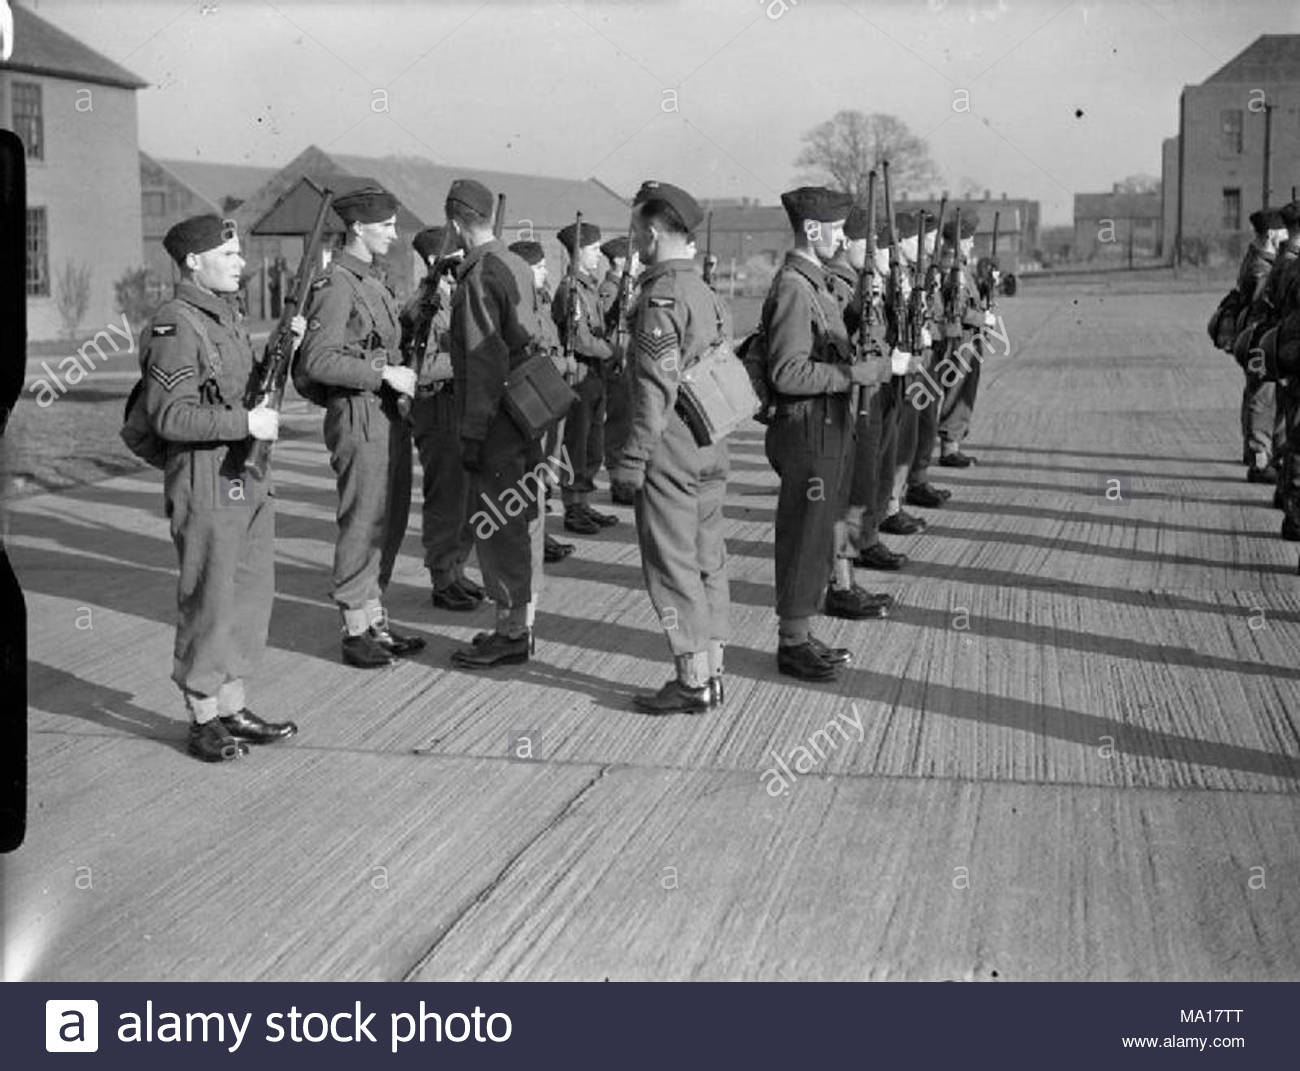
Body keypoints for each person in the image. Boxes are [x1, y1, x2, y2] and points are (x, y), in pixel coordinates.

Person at [141, 214, 300, 762]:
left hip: (247, 475)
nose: (242, 263)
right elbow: (170, 417)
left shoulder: (225, 317)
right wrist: (244, 426)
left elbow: (244, 388)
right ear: (193, 261)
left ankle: (232, 704)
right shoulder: (175, 324)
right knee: (210, 598)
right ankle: (203, 716)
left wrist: (287, 346)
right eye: (228, 255)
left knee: (251, 595)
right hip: (206, 478)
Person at [610, 181, 731, 713]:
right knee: (709, 560)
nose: (634, 239)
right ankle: (716, 671)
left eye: (637, 229)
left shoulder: (661, 296)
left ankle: (690, 679)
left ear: (654, 232)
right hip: (710, 442)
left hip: (670, 447)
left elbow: (655, 384)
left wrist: (633, 458)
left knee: (671, 566)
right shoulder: (706, 291)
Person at [760, 187, 889, 682]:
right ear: (812, 230)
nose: (841, 238)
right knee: (804, 534)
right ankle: (791, 642)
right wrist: (852, 375)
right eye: (834, 229)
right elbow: (788, 372)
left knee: (818, 533)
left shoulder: (813, 285)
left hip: (824, 424)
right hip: (807, 427)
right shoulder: (795, 287)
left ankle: (802, 631)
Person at [295, 184, 427, 668]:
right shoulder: (336, 286)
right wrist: (382, 373)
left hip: (387, 416)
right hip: (358, 417)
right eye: (385, 225)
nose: (394, 234)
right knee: (362, 521)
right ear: (356, 227)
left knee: (386, 524)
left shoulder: (374, 280)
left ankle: (375, 622)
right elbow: (318, 360)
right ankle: (354, 630)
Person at [445, 178, 547, 667]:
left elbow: (483, 365)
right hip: (528, 408)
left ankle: (510, 632)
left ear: (454, 224)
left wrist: (472, 434)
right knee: (519, 519)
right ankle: (517, 623)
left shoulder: (480, 276)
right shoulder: (515, 264)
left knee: (499, 522)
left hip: (496, 419)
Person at [397, 226, 486, 611]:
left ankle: (456, 568)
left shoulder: (457, 299)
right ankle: (441, 575)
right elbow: (423, 367)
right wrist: (468, 361)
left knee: (467, 496)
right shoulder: (426, 306)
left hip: (459, 405)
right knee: (446, 496)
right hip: (437, 409)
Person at [509, 237, 576, 565]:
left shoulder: (540, 301)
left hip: (549, 395)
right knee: (530, 473)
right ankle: (530, 537)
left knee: (546, 466)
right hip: (532, 397)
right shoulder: (518, 305)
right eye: (538, 267)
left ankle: (538, 533)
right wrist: (563, 365)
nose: (544, 271)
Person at [553, 219, 619, 535]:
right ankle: (572, 505)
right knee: (575, 444)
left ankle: (583, 501)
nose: (597, 255)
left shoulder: (589, 287)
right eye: (592, 249)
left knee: (593, 442)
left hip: (593, 376)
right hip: (577, 375)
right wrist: (611, 352)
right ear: (578, 251)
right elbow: (580, 339)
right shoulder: (571, 289)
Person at [1234, 208, 1285, 482]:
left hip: (1256, 338)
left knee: (1256, 395)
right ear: (1272, 234)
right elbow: (1263, 304)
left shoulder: (1258, 259)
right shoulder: (1261, 268)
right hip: (1260, 339)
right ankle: (1259, 460)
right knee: (1262, 399)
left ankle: (1254, 451)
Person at [598, 234, 640, 505]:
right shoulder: (609, 290)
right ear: (620, 261)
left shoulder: (627, 287)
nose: (637, 262)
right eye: (633, 258)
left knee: (627, 420)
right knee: (618, 423)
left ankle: (624, 478)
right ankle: (617, 480)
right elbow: (605, 327)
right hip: (616, 362)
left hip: (626, 360)